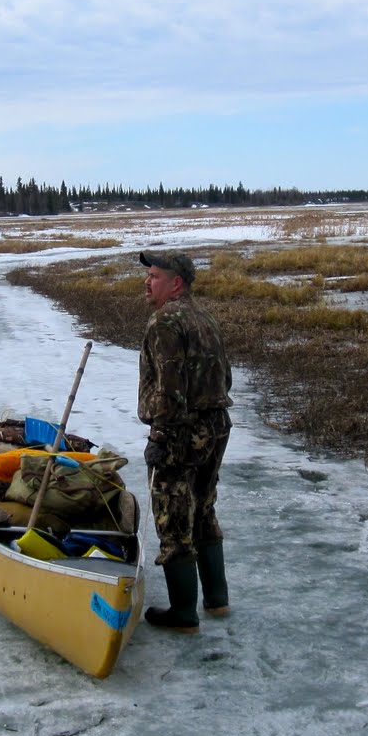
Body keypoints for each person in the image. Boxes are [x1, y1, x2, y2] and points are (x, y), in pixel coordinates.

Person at [136, 249, 233, 632]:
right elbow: (225, 378)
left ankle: (183, 614)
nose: (147, 281)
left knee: (173, 519)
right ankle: (217, 600)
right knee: (204, 510)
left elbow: (169, 389)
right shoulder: (204, 317)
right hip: (216, 426)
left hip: (181, 432)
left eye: (155, 276)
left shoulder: (165, 321)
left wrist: (161, 436)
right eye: (148, 275)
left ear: (176, 283)